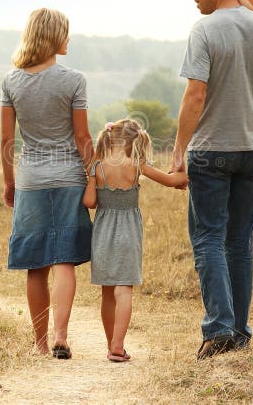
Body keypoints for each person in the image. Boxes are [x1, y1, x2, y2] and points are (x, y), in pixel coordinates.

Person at [171, 0, 253, 359]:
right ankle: (238, 331)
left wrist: (178, 150)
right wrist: (244, 85)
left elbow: (195, 94)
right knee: (240, 241)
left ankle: (219, 329)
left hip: (211, 149)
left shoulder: (205, 29)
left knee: (208, 239)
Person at [0, 8, 94, 360]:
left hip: (30, 182)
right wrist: (94, 177)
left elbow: (7, 141)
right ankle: (61, 335)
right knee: (64, 260)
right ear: (55, 37)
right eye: (66, 33)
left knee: (35, 265)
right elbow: (83, 137)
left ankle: (40, 344)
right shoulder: (74, 80)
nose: (69, 40)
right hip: (70, 178)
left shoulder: (11, 82)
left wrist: (10, 183)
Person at [82, 118, 188, 362]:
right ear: (133, 142)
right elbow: (172, 181)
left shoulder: (96, 166)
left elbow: (89, 203)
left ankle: (112, 345)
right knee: (124, 288)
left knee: (107, 291)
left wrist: (92, 181)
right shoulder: (137, 165)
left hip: (103, 232)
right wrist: (182, 175)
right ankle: (118, 346)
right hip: (128, 231)